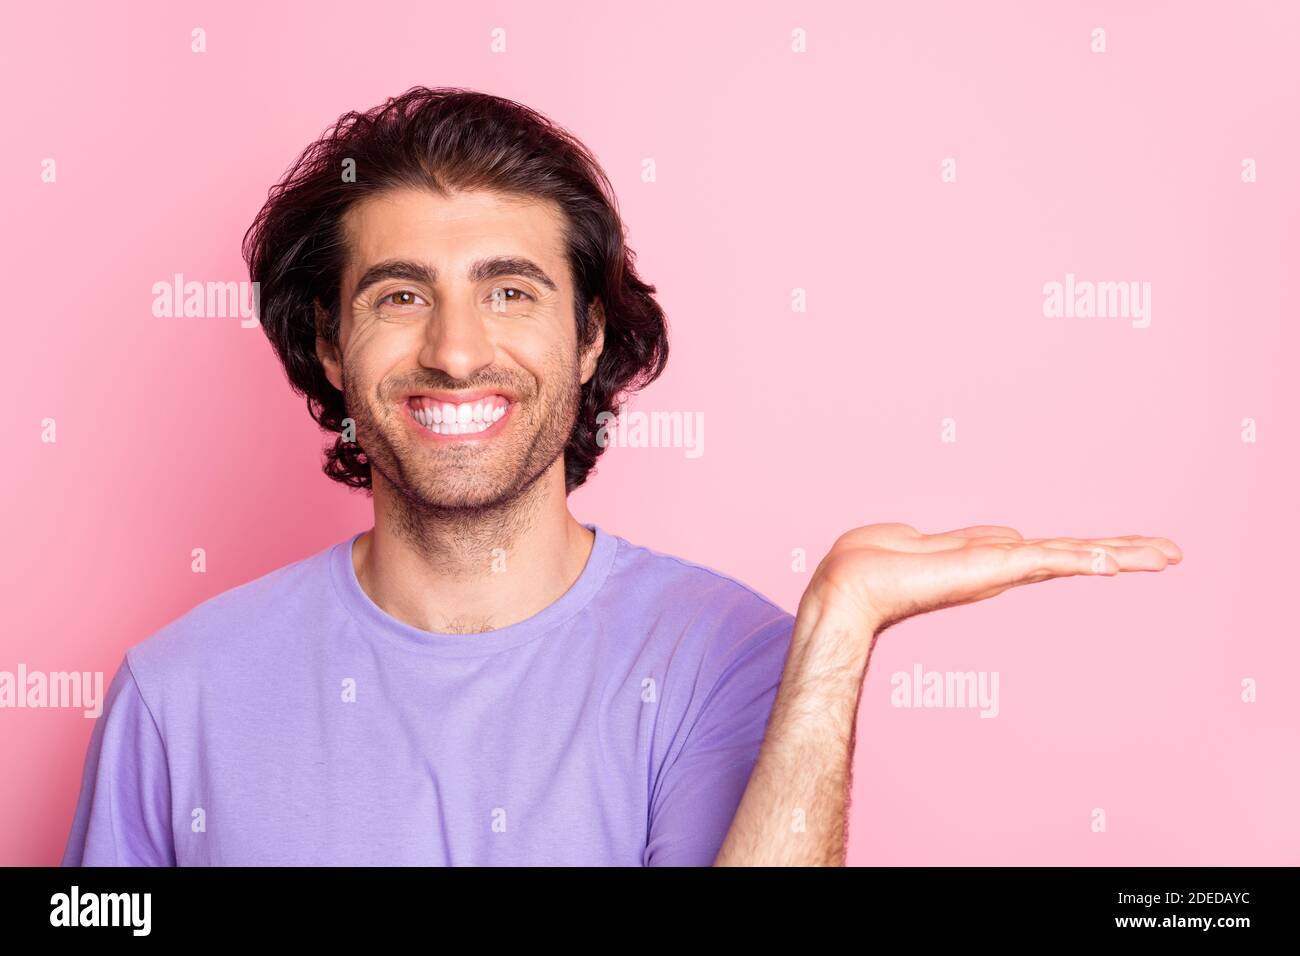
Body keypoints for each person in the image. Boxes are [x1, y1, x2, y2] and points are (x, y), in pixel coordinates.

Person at [62, 87, 1181, 867]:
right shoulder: (178, 693)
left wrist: (834, 635)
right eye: (400, 294)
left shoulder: (732, 658)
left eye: (511, 291)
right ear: (324, 343)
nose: (456, 349)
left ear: (591, 338)